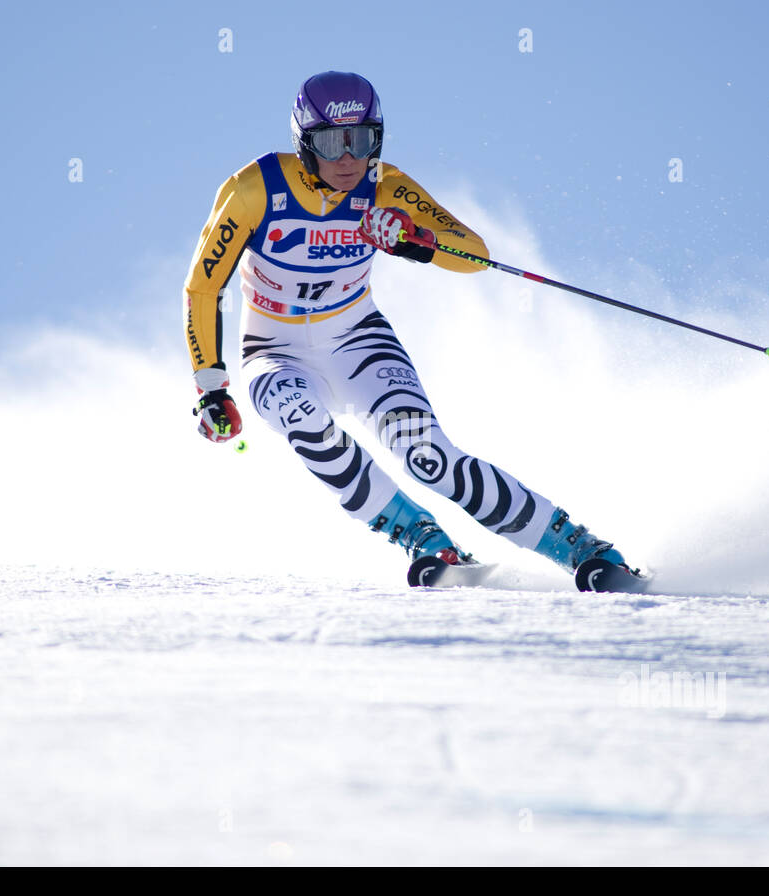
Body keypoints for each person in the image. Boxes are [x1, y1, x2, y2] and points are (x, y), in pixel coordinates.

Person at [183, 70, 635, 587]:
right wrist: (210, 387)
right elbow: (202, 287)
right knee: (302, 418)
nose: (348, 159)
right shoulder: (253, 189)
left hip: (356, 338)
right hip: (273, 349)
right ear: (304, 143)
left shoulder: (386, 187)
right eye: (330, 143)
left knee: (428, 458)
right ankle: (425, 540)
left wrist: (415, 239)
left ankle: (580, 548)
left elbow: (475, 254)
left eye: (361, 140)